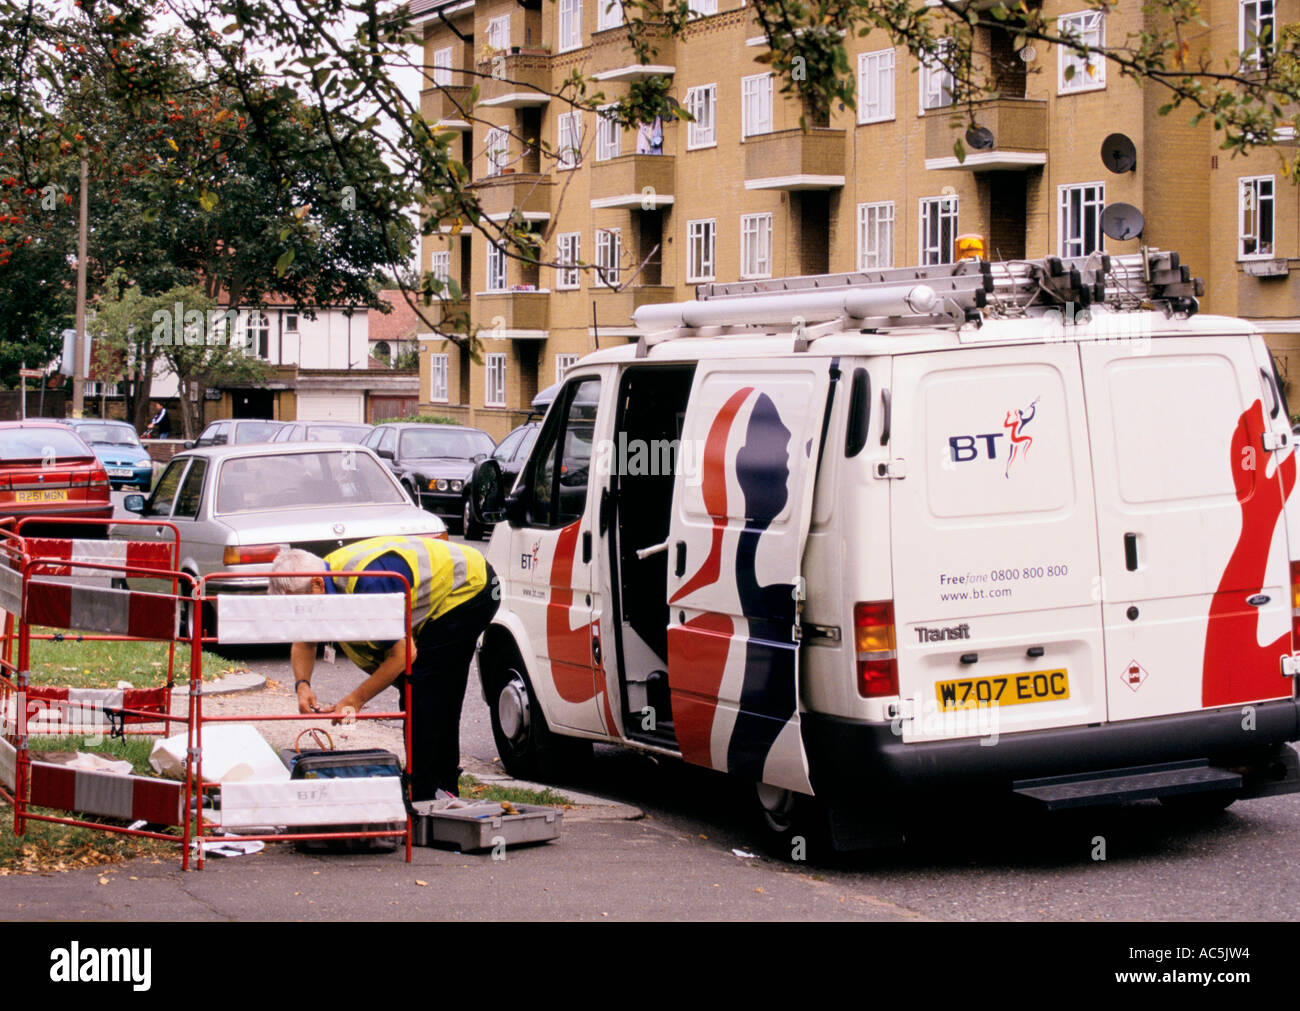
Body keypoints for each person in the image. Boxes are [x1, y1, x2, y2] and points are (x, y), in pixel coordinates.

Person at [268, 536, 499, 802]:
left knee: (425, 687)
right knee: (425, 689)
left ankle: (425, 792)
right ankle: (435, 786)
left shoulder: (369, 584)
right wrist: (302, 686)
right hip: (439, 589)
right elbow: (305, 639)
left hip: (472, 587)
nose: (302, 616)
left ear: (318, 585)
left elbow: (403, 654)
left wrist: (355, 700)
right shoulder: (320, 579)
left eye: (301, 607)